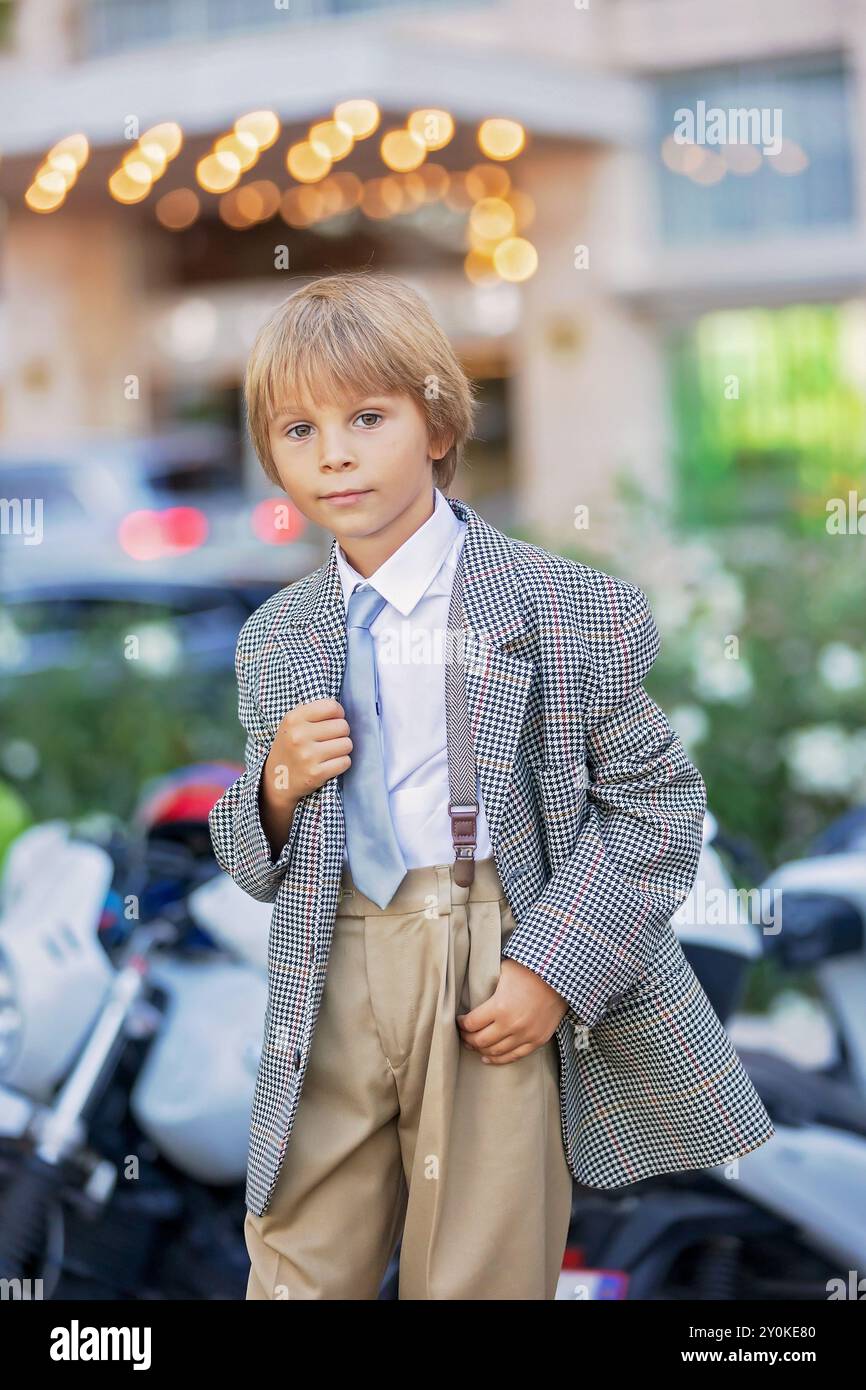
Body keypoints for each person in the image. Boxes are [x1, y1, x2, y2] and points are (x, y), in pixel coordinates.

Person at [208, 270, 775, 1301]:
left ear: (436, 422)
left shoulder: (563, 608)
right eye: (297, 430)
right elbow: (254, 866)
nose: (331, 452)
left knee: (477, 1265)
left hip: (488, 945)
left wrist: (550, 968)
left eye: (365, 417)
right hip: (332, 956)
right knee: (289, 1255)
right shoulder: (276, 637)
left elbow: (655, 804)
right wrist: (272, 792)